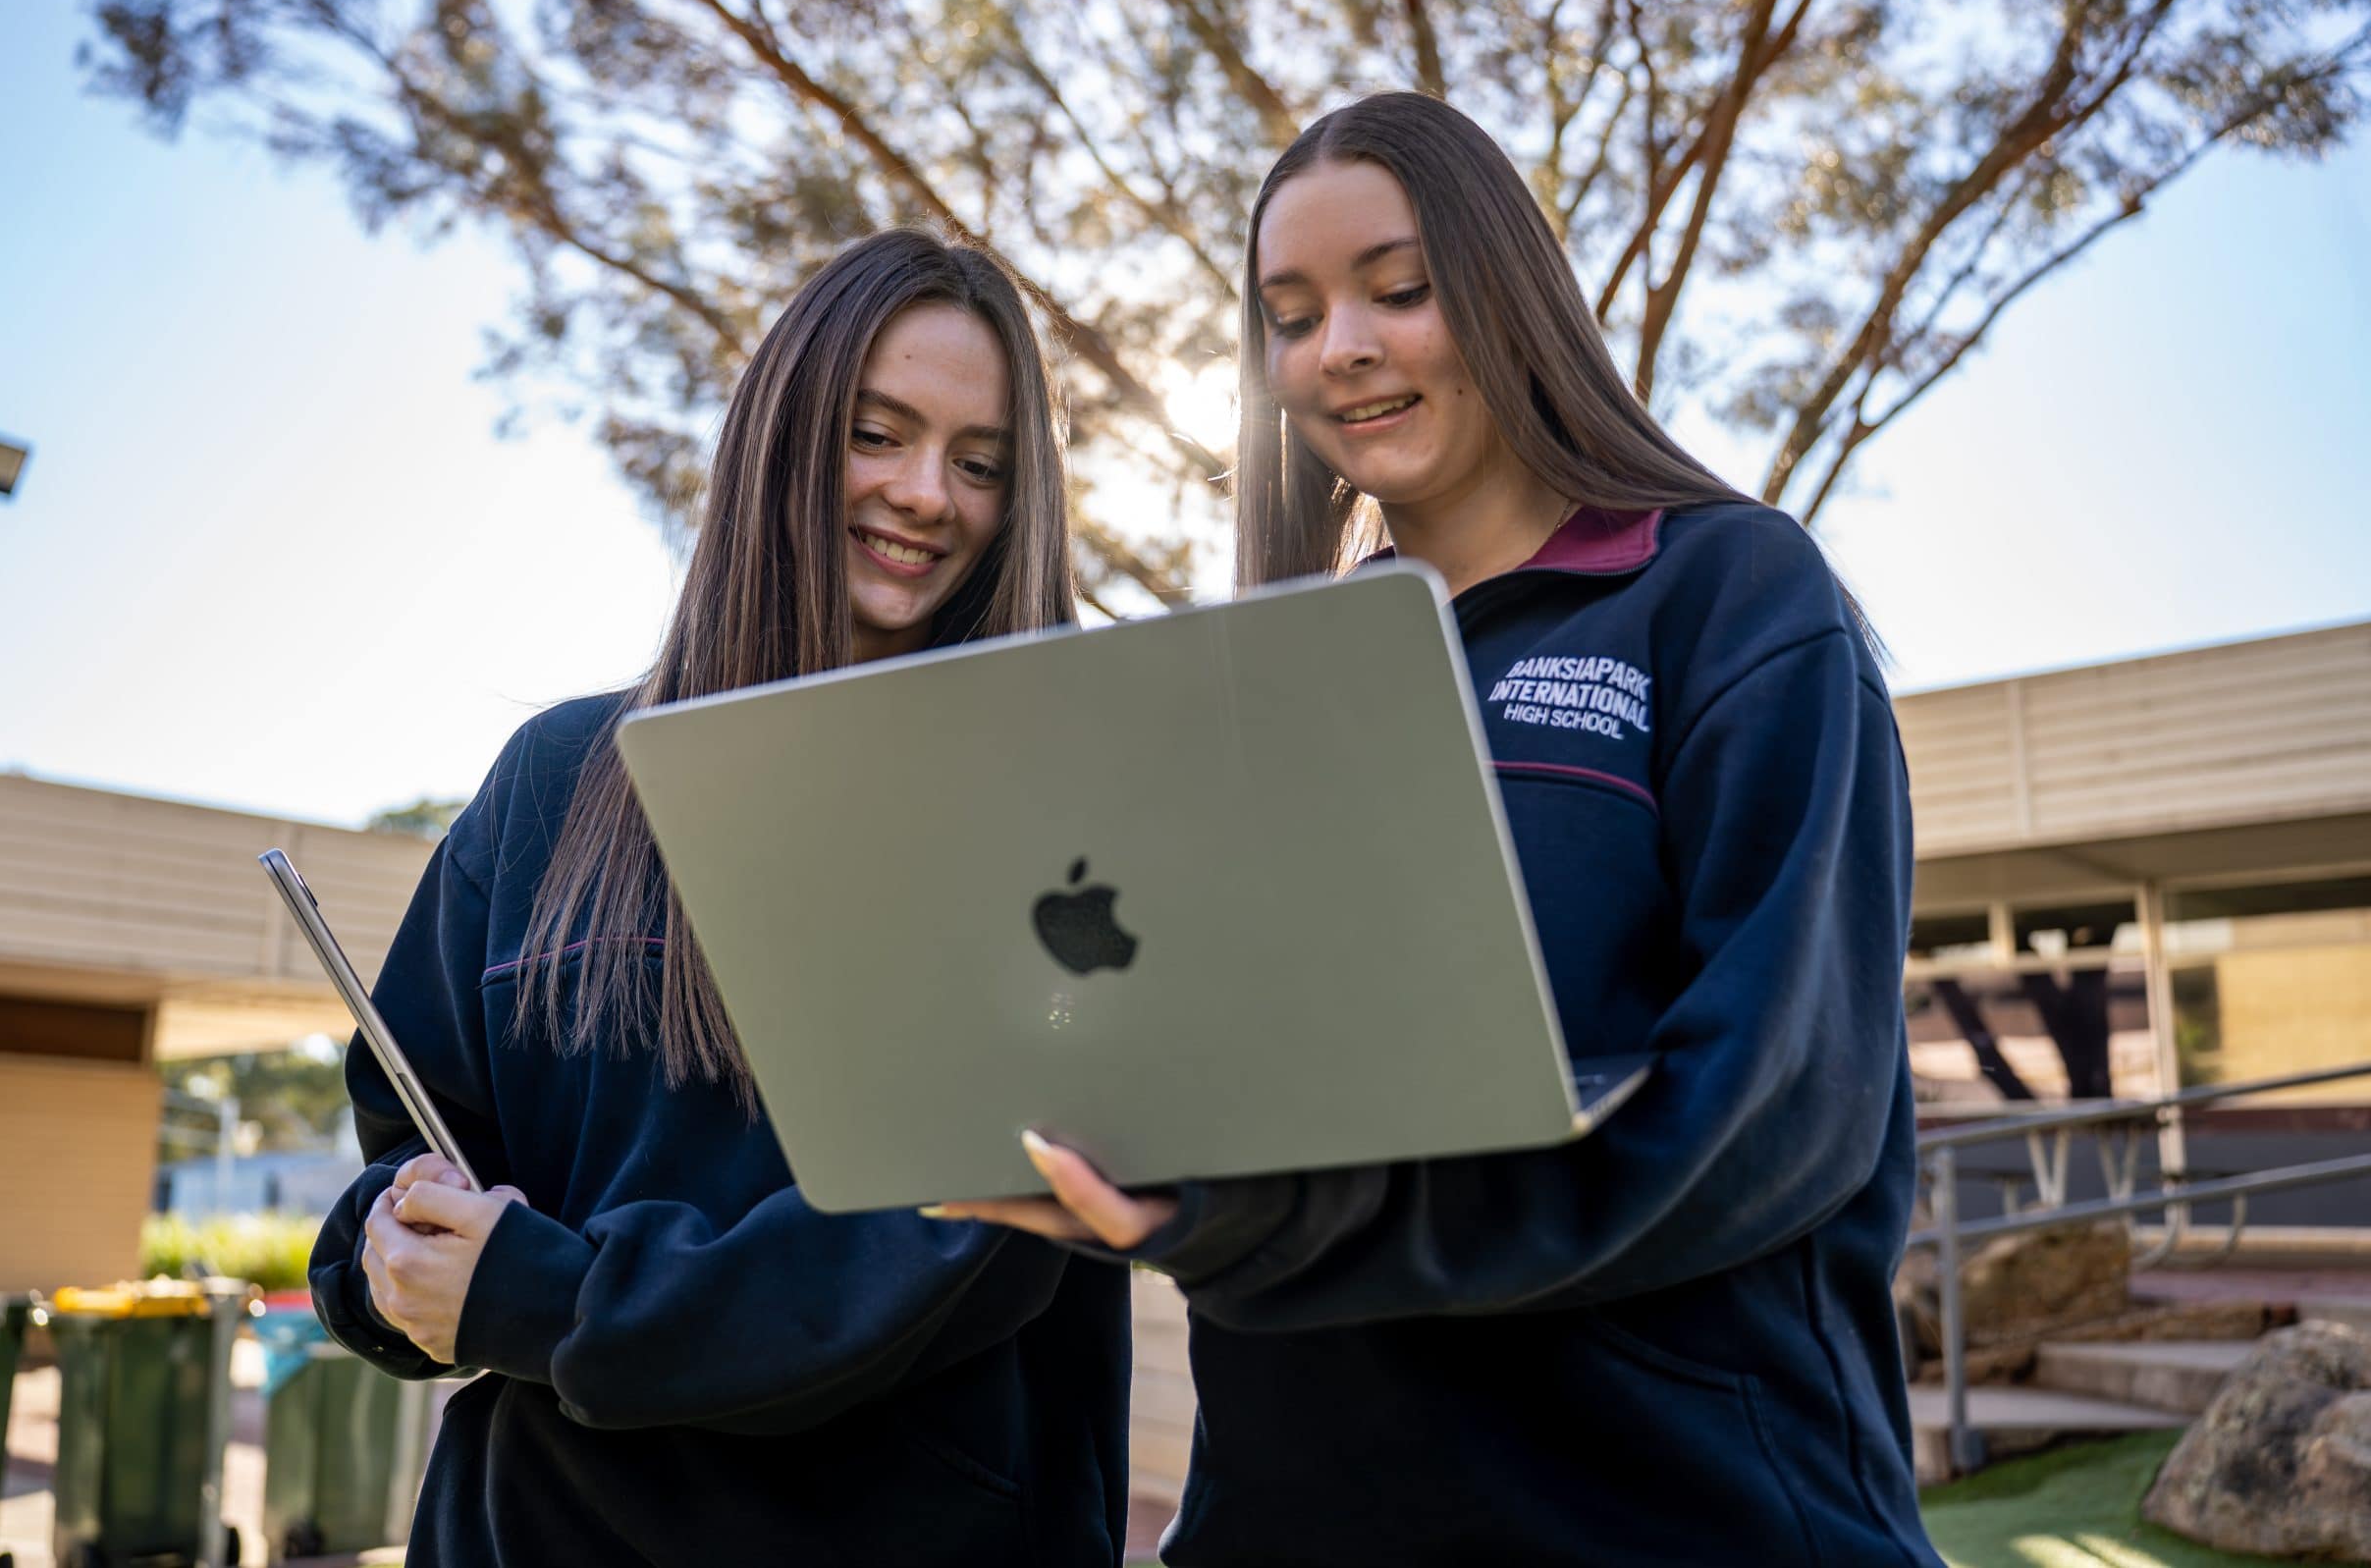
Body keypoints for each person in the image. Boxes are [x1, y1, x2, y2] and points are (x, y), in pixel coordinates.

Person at [938, 93, 1944, 1565]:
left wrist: (1271, 1219)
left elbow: (1773, 1109)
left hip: (1677, 1516)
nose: (1338, 347)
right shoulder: (1250, 686)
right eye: (1290, 314)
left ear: (1507, 287)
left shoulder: (1733, 598)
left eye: (1398, 289)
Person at [307, 228, 1132, 1565]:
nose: (929, 493)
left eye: (980, 462)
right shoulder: (555, 780)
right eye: (879, 433)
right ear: (782, 440)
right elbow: (413, 1140)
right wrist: (394, 1247)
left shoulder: (1053, 807)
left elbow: (957, 1238)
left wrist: (558, 1302)